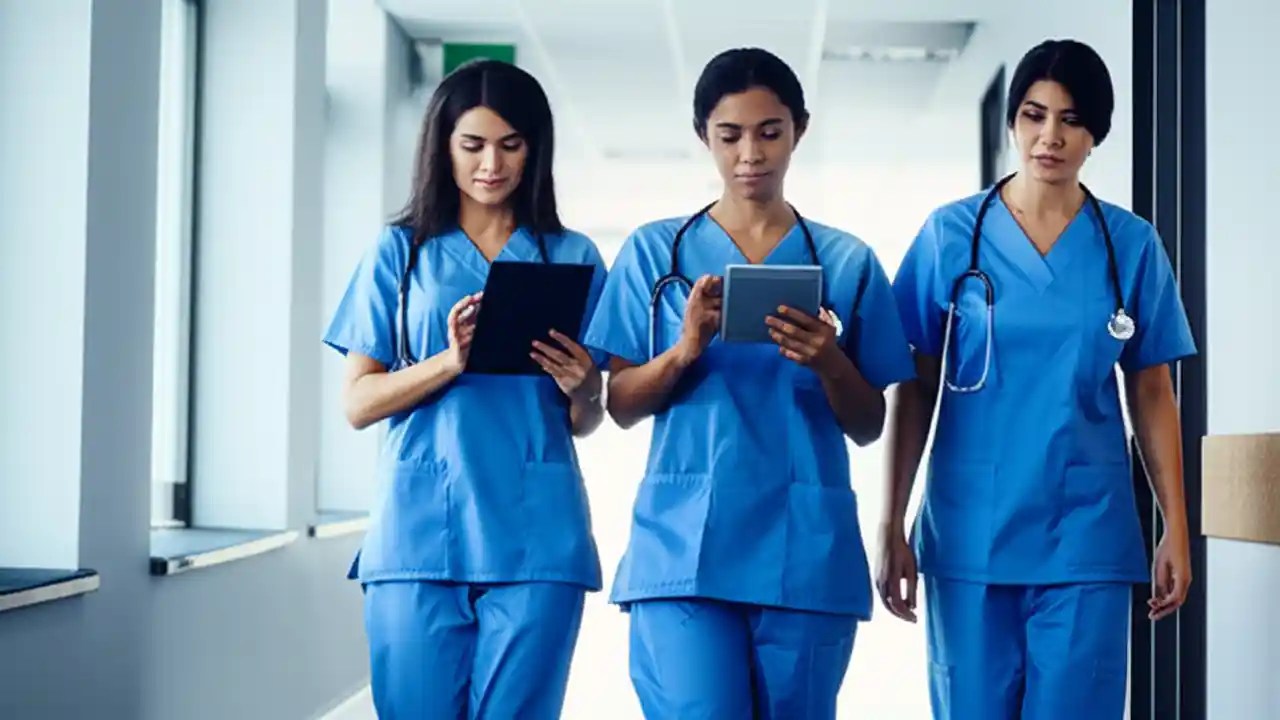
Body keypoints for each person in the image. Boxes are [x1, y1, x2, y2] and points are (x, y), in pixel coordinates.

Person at [582, 47, 917, 719]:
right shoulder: (655, 253)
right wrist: (685, 350)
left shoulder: (847, 263)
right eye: (730, 135)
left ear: (799, 131)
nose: (751, 154)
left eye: (770, 132)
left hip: (804, 549)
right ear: (703, 135)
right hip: (684, 549)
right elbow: (619, 405)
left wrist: (829, 361)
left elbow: (868, 424)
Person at [877, 39, 1196, 719]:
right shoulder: (951, 235)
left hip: (1085, 534)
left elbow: (1151, 391)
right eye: (1033, 114)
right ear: (1013, 122)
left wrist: (1176, 523)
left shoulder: (1129, 245)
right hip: (970, 532)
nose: (1050, 136)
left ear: (1095, 134)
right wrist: (890, 521)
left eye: (1071, 120)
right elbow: (915, 387)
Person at [322, 59, 608, 719]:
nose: (491, 164)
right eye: (472, 144)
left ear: (535, 150)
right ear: (442, 146)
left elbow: (585, 419)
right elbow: (358, 404)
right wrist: (449, 362)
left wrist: (584, 386)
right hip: (419, 531)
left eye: (511, 145)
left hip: (536, 533)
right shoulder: (399, 253)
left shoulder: (573, 257)